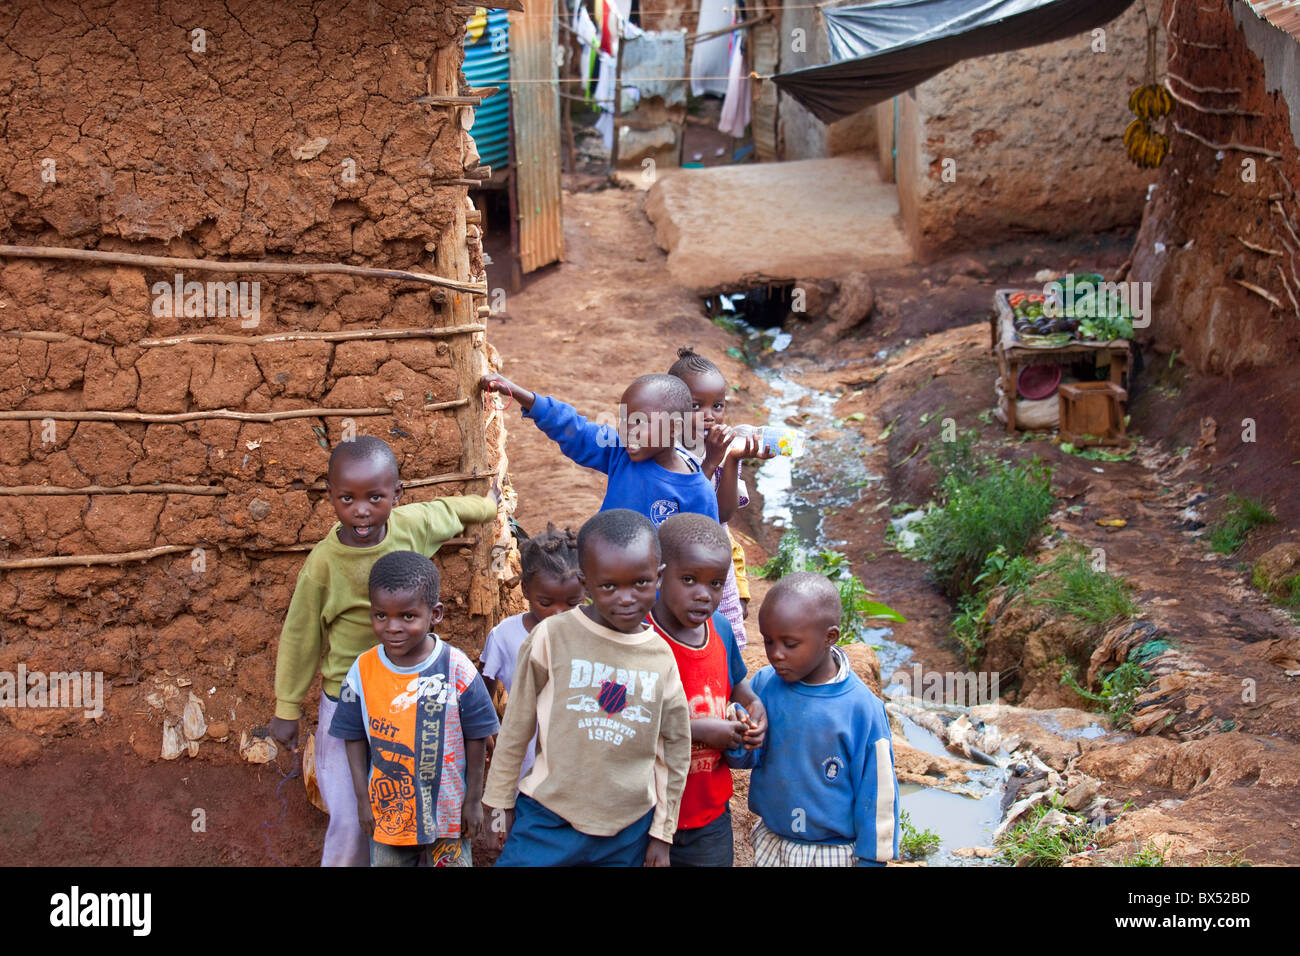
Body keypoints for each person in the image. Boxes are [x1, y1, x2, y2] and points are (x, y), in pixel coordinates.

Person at [268, 435, 499, 866]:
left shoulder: (411, 526)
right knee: (352, 814)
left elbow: (450, 510)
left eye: (375, 497)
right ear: (330, 497)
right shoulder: (323, 564)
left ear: (397, 494)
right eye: (347, 498)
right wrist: (288, 707)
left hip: (412, 698)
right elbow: (301, 636)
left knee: (414, 801)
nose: (361, 510)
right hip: (347, 699)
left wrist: (491, 506)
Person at [483, 509, 692, 866]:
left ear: (658, 578)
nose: (625, 598)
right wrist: (498, 801)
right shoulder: (552, 636)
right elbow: (517, 726)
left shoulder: (661, 658)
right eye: (609, 586)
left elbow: (673, 750)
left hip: (627, 829)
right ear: (586, 582)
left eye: (640, 583)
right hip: (549, 817)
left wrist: (662, 831)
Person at [329, 551, 499, 866]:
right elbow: (352, 738)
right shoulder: (363, 670)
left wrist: (473, 801)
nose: (392, 627)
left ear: (435, 614)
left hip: (449, 813)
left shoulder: (456, 667)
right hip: (389, 815)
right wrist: (363, 800)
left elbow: (478, 737)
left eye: (407, 616)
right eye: (381, 615)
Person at [727, 571, 900, 867]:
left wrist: (873, 858)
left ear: (829, 637)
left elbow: (879, 789)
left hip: (831, 852)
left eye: (790, 644)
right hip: (772, 839)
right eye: (768, 642)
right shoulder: (765, 686)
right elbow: (745, 758)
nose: (776, 655)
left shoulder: (861, 709)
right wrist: (740, 737)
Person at [646, 512, 768, 866]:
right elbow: (625, 723)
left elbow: (738, 685)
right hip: (646, 811)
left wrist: (754, 707)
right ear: (659, 574)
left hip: (709, 813)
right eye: (689, 579)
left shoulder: (721, 630)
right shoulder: (639, 637)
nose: (704, 595)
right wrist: (699, 731)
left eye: (716, 584)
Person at [479, 371, 717, 526]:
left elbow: (703, 558)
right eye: (624, 420)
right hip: (603, 588)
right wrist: (518, 392)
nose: (627, 431)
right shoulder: (619, 452)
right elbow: (575, 430)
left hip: (656, 602)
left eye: (639, 422)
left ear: (674, 428)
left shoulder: (698, 493)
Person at [667, 347, 773, 647]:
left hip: (715, 559)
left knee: (722, 634)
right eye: (696, 406)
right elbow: (690, 506)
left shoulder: (723, 447)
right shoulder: (665, 451)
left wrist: (733, 460)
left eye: (717, 406)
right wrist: (711, 461)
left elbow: (723, 514)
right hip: (678, 559)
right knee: (680, 634)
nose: (708, 416)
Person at [479, 524, 584, 780]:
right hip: (525, 766)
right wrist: (487, 729)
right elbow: (482, 692)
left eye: (572, 603)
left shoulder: (591, 634)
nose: (558, 613)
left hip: (581, 763)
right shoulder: (505, 637)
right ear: (525, 590)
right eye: (545, 603)